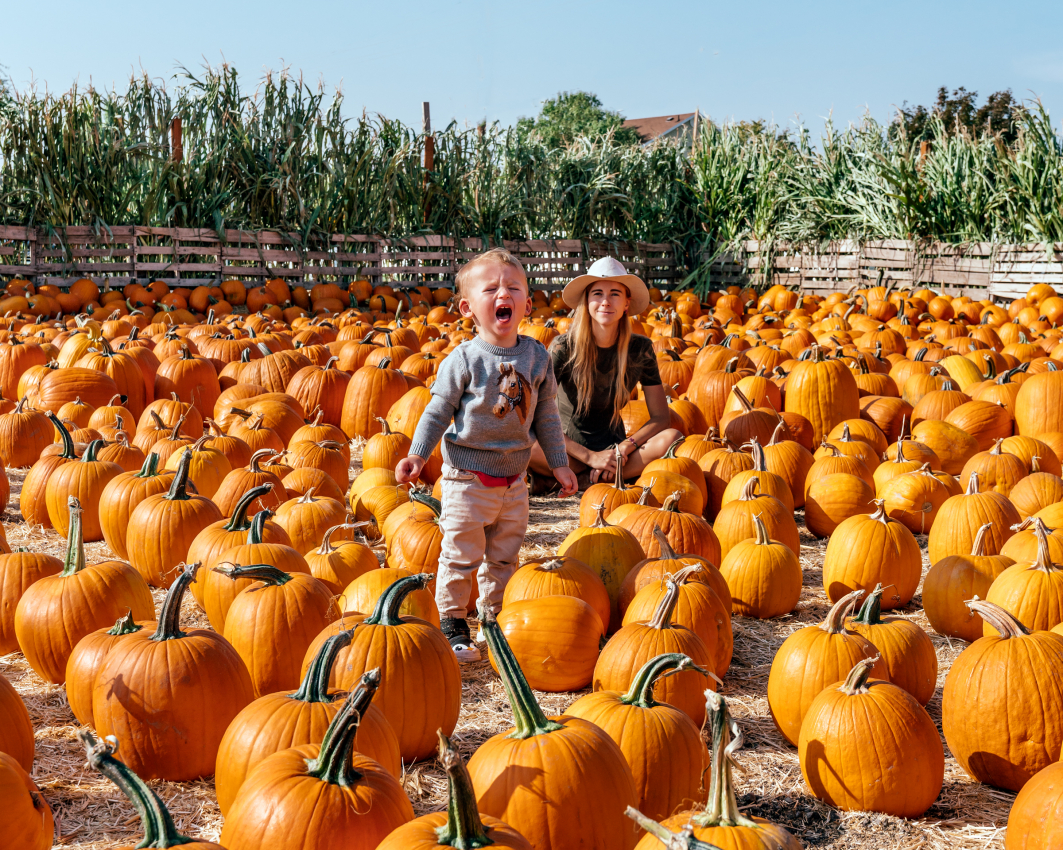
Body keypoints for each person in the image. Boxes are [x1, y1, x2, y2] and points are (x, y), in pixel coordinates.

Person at [395, 247, 577, 661]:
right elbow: (438, 408)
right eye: (491, 287)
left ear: (527, 304)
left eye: (513, 287)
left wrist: (560, 462)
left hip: (515, 480)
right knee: (460, 554)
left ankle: (493, 620)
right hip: (467, 479)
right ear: (467, 308)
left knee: (504, 556)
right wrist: (418, 456)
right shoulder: (464, 359)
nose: (503, 293)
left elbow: (546, 415)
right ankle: (453, 622)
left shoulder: (537, 357)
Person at [529, 256, 683, 490]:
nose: (606, 302)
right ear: (587, 301)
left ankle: (577, 481)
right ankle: (593, 476)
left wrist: (626, 447)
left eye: (615, 294)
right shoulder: (563, 347)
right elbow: (535, 412)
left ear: (626, 304)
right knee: (524, 445)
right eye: (598, 293)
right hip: (566, 449)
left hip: (615, 449)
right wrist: (591, 457)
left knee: (672, 438)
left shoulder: (640, 349)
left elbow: (661, 418)